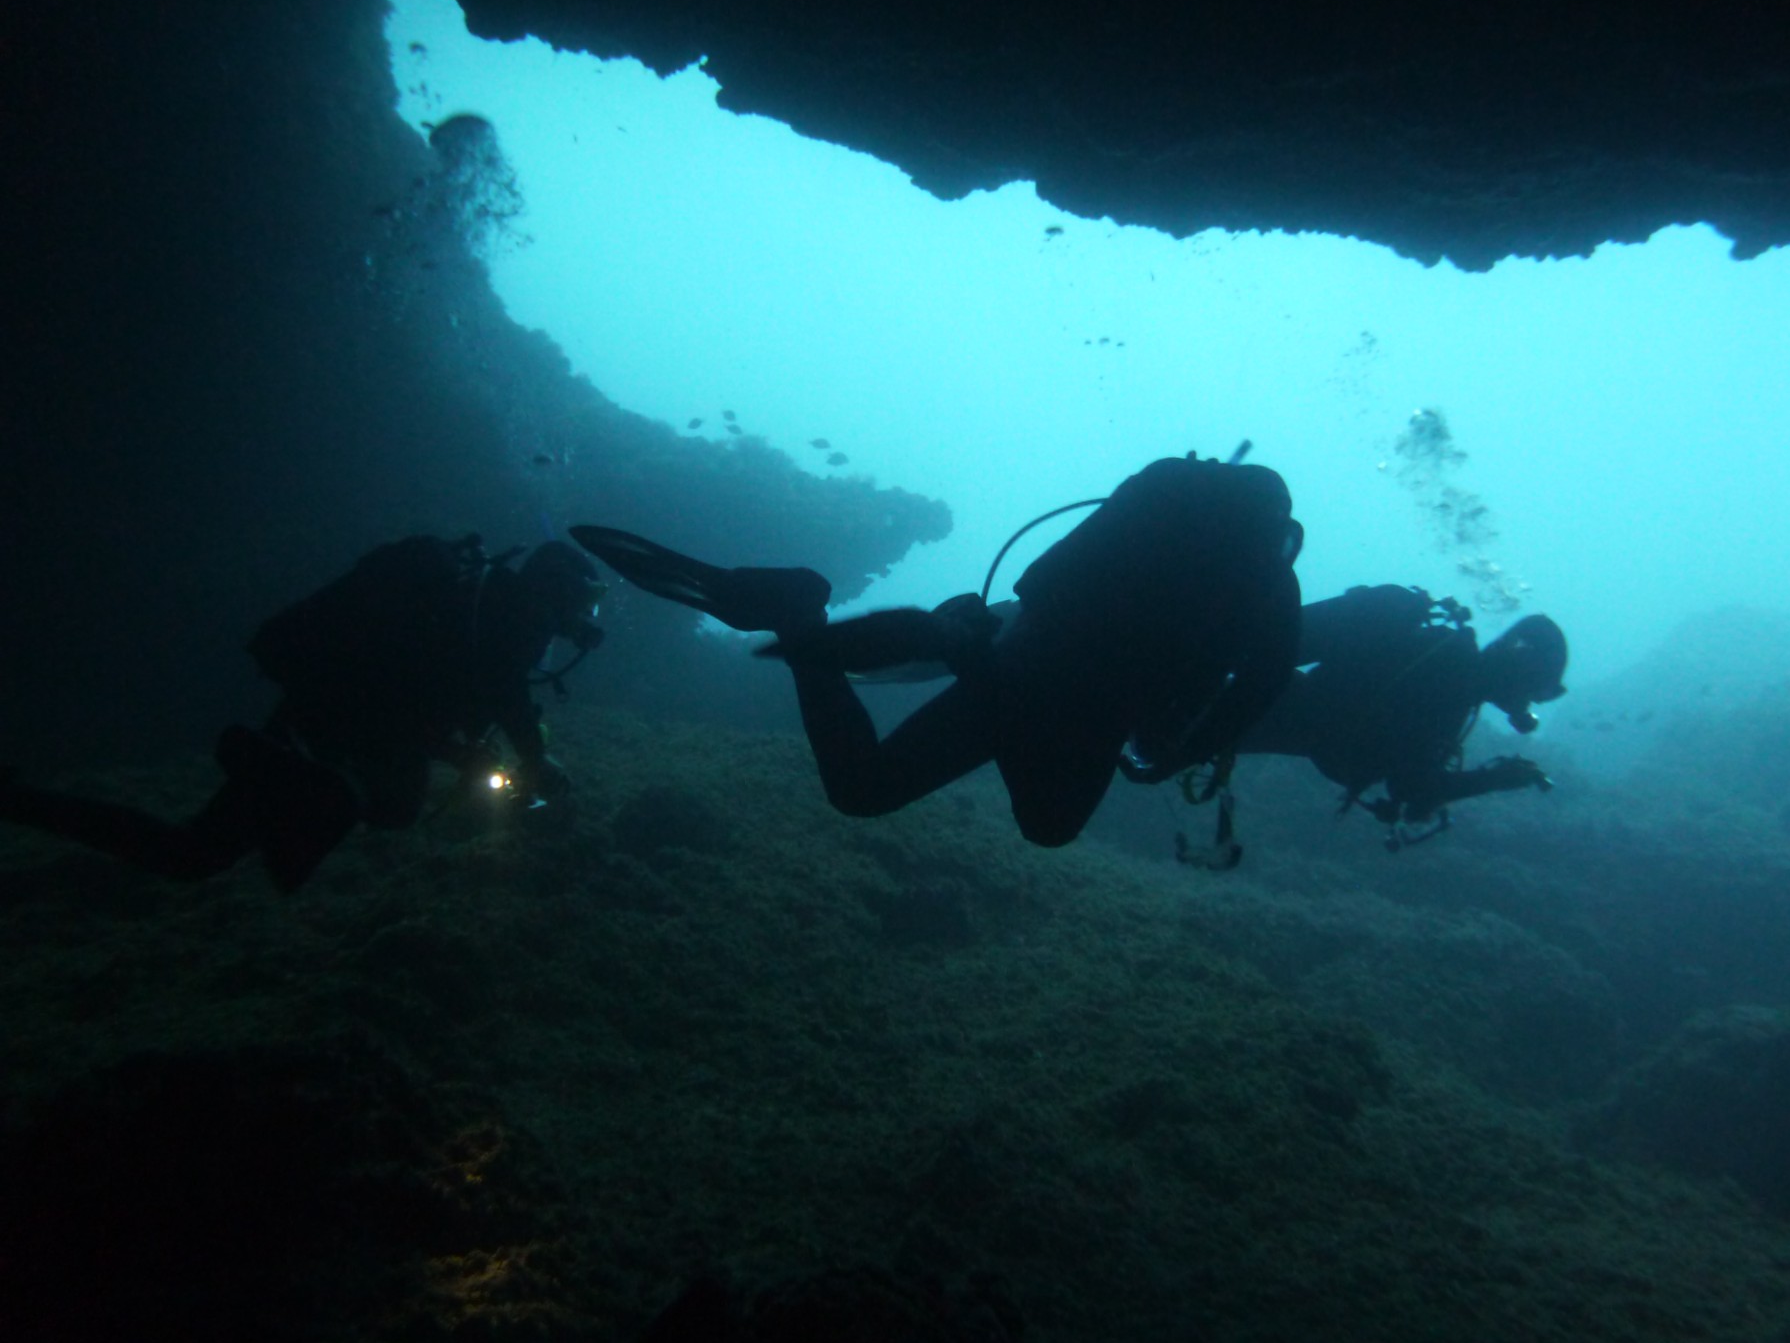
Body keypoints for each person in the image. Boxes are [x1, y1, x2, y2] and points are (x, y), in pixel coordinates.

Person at [575, 452, 1305, 847]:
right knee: (1045, 828)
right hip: (1077, 700)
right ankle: (857, 630)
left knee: (871, 790)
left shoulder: (1164, 507)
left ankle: (835, 621)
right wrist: (1179, 754)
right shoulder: (1270, 580)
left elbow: (1044, 577)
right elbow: (1262, 685)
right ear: (1279, 526)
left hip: (1023, 661)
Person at [0, 536, 606, 891]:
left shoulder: (483, 607)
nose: (583, 621)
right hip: (328, 729)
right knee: (194, 855)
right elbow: (500, 693)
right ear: (553, 589)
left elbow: (416, 701)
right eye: (582, 603)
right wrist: (535, 759)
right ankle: (273, 769)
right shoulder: (509, 621)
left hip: (337, 722)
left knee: (201, 853)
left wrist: (457, 752)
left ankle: (286, 782)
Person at [1235, 584, 1566, 848]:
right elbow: (1412, 786)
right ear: (1519, 668)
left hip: (1279, 708)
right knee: (1192, 723)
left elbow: (1409, 775)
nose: (1530, 702)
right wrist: (1493, 779)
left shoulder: (1454, 671)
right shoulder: (1451, 678)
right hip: (1280, 715)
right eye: (1538, 688)